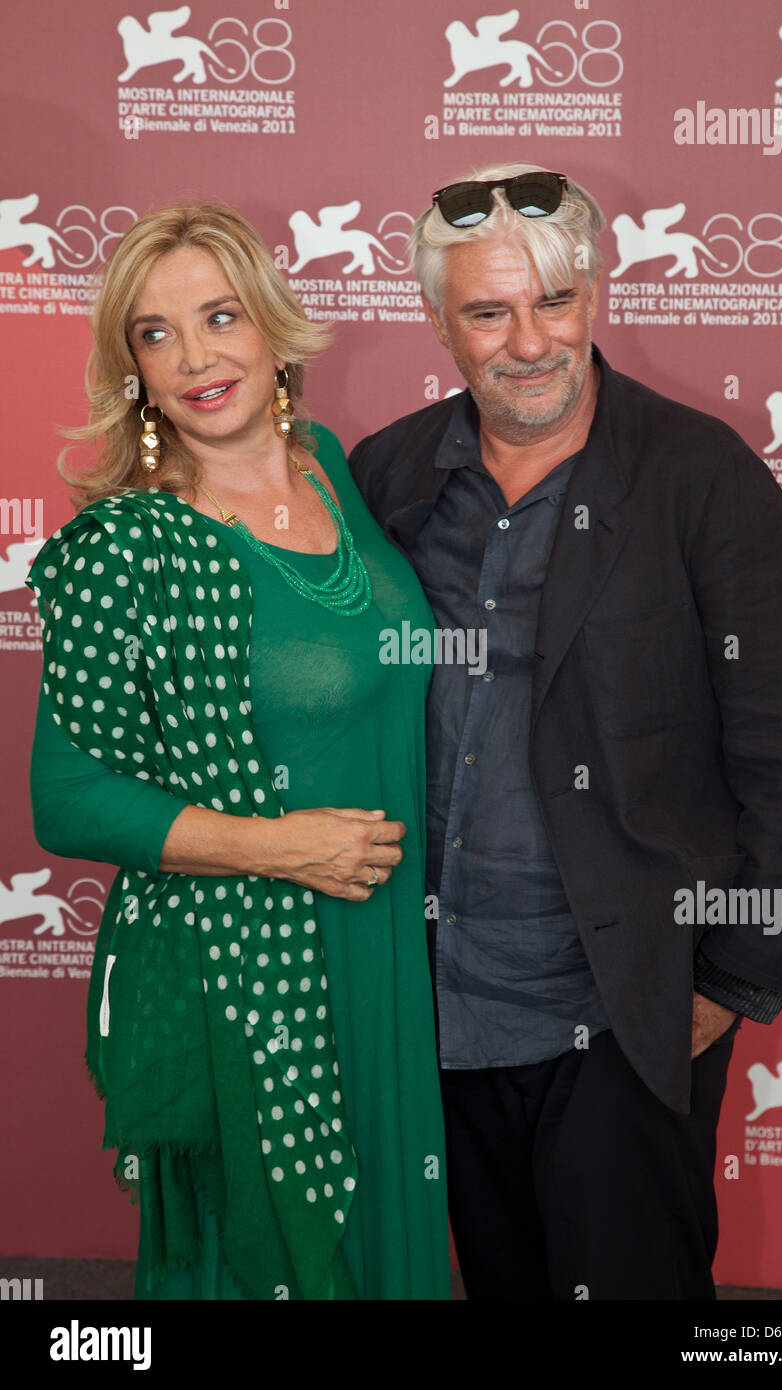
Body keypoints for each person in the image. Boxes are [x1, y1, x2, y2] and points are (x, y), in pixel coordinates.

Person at [347, 163, 782, 1300]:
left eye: (555, 301)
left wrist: (728, 977)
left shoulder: (698, 476)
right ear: (438, 322)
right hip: (434, 1004)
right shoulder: (387, 476)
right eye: (487, 311)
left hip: (623, 1009)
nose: (528, 341)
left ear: (596, 295)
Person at [27, 202, 450, 1301]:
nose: (197, 356)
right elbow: (65, 799)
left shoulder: (325, 467)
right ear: (132, 370)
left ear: (271, 328)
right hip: (247, 966)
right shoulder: (131, 542)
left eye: (220, 316)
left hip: (380, 953)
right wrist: (276, 848)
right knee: (262, 1262)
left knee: (383, 1240)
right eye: (156, 334)